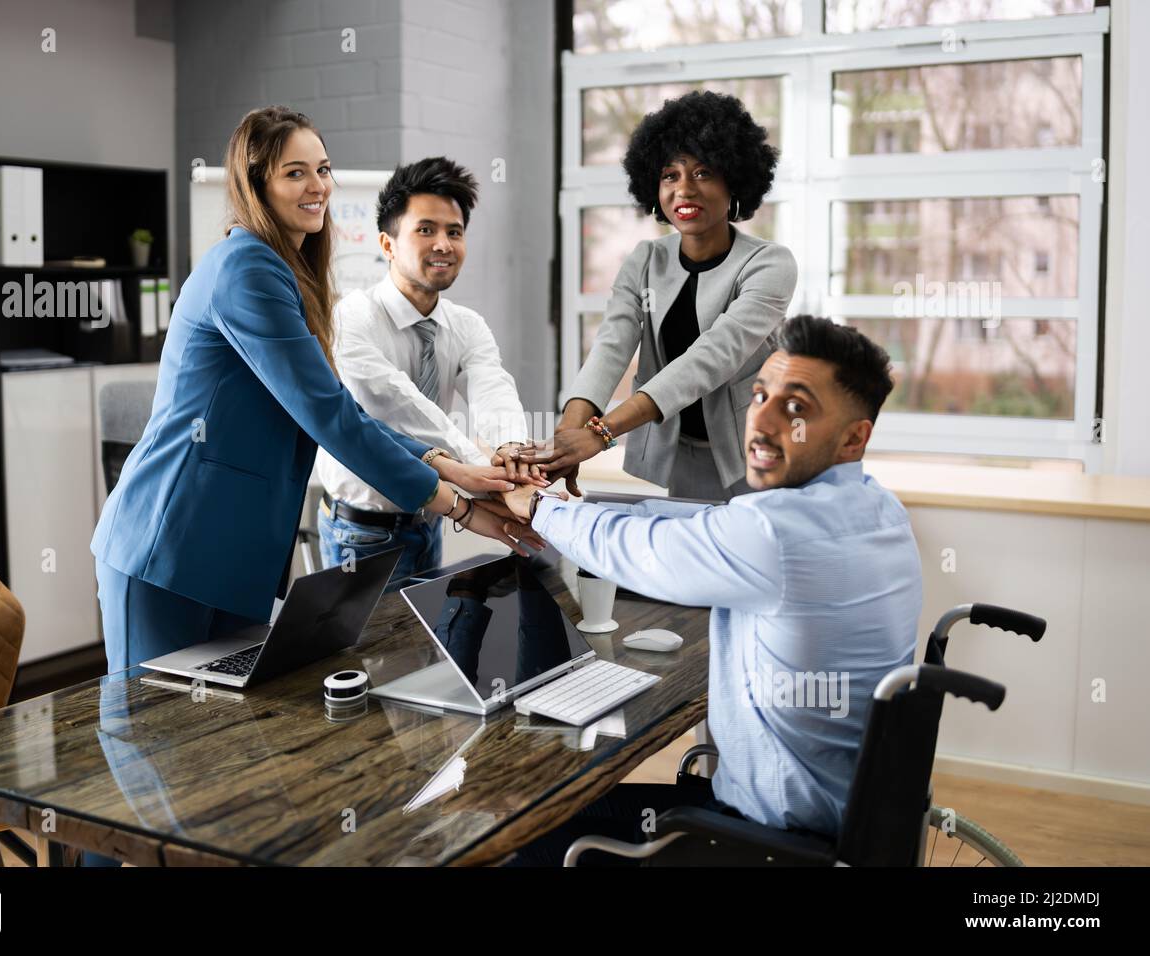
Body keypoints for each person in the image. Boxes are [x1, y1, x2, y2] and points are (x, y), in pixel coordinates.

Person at [90, 106, 544, 680]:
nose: (317, 186)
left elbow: (339, 408)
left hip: (235, 553)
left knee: (218, 750)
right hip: (172, 545)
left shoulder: (285, 269)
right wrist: (459, 505)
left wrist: (447, 467)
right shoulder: (246, 269)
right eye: (294, 172)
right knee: (152, 738)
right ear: (256, 185)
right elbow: (329, 418)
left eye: (323, 169)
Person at [501, 316, 923, 864]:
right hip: (842, 823)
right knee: (561, 807)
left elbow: (642, 552)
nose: (760, 423)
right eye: (760, 395)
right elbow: (705, 522)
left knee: (519, 830)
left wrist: (537, 508)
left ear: (854, 437)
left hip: (762, 842)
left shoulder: (773, 534)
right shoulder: (879, 509)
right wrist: (573, 508)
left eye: (795, 408)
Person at [521, 90, 798, 502]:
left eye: (703, 173)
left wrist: (601, 432)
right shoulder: (646, 259)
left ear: (734, 180)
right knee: (689, 562)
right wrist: (566, 438)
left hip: (758, 452)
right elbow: (610, 347)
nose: (684, 189)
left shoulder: (769, 264)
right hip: (684, 455)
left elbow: (711, 358)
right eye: (670, 175)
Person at [315, 157, 542, 584]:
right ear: (387, 244)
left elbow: (493, 388)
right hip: (362, 534)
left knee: (423, 651)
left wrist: (512, 455)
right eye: (426, 230)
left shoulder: (466, 325)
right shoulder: (352, 318)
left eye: (454, 232)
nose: (443, 244)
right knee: (361, 653)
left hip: (430, 519)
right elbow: (402, 407)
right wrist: (485, 477)